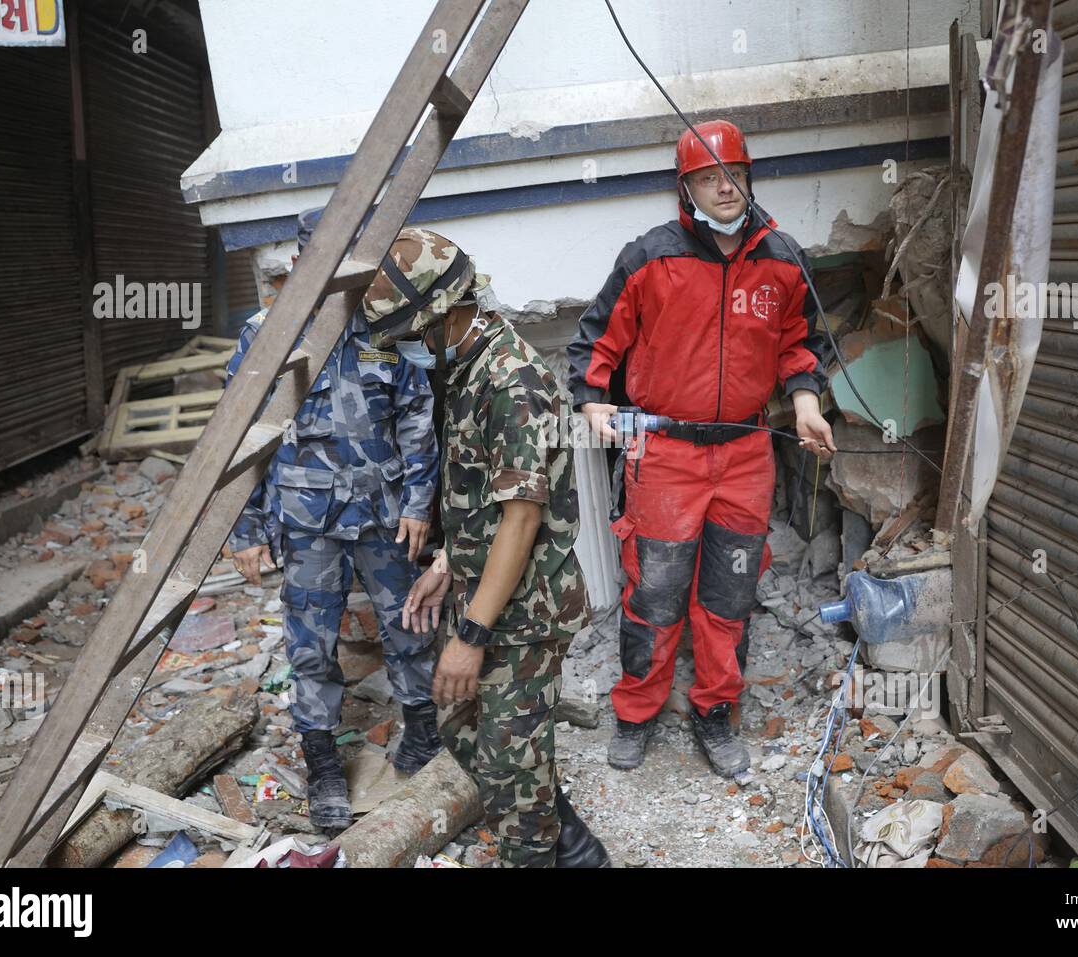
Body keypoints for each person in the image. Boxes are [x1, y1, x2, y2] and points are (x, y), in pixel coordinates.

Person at [566, 119, 836, 778]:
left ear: (749, 177)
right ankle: (636, 712)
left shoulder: (781, 259)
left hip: (745, 454)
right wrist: (592, 398)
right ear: (685, 188)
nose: (725, 187)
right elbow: (596, 339)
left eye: (734, 174)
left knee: (729, 592)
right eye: (709, 177)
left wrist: (805, 402)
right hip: (666, 453)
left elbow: (799, 343)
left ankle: (715, 711)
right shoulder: (650, 258)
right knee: (655, 593)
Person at [368, 226, 609, 868]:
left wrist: (469, 638)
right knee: (463, 727)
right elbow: (484, 496)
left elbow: (522, 519)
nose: (409, 350)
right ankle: (574, 847)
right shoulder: (468, 369)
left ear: (445, 315)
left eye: (412, 336)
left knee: (508, 766)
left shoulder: (511, 384)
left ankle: (541, 851)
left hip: (527, 608)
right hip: (484, 590)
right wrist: (448, 563)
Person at [226, 209, 441, 832]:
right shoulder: (267, 334)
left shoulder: (392, 324)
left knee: (410, 624)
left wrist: (419, 503)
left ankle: (422, 731)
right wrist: (245, 530)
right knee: (311, 645)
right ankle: (322, 763)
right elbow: (239, 437)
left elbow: (417, 418)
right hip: (305, 519)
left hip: (385, 515)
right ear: (300, 262)